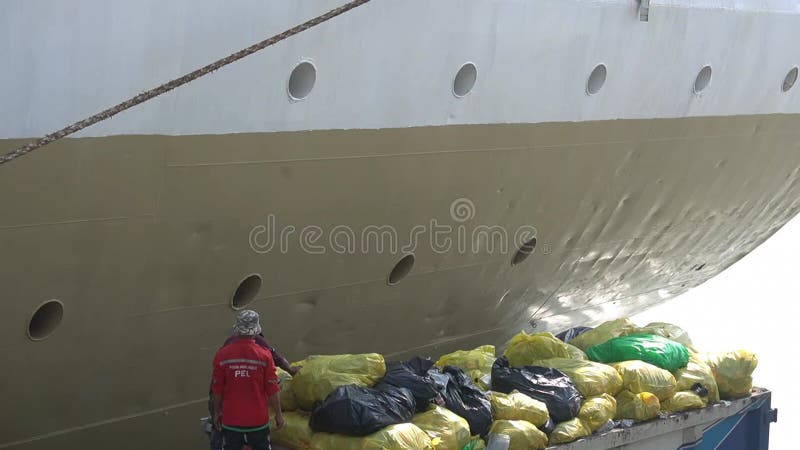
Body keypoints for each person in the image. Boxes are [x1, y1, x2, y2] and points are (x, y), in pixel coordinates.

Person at [211, 310, 284, 450]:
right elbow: (272, 390)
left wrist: (216, 412)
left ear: (237, 330)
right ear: (256, 330)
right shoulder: (264, 355)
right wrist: (279, 415)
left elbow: (217, 388)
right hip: (257, 421)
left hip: (231, 419)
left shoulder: (222, 354)